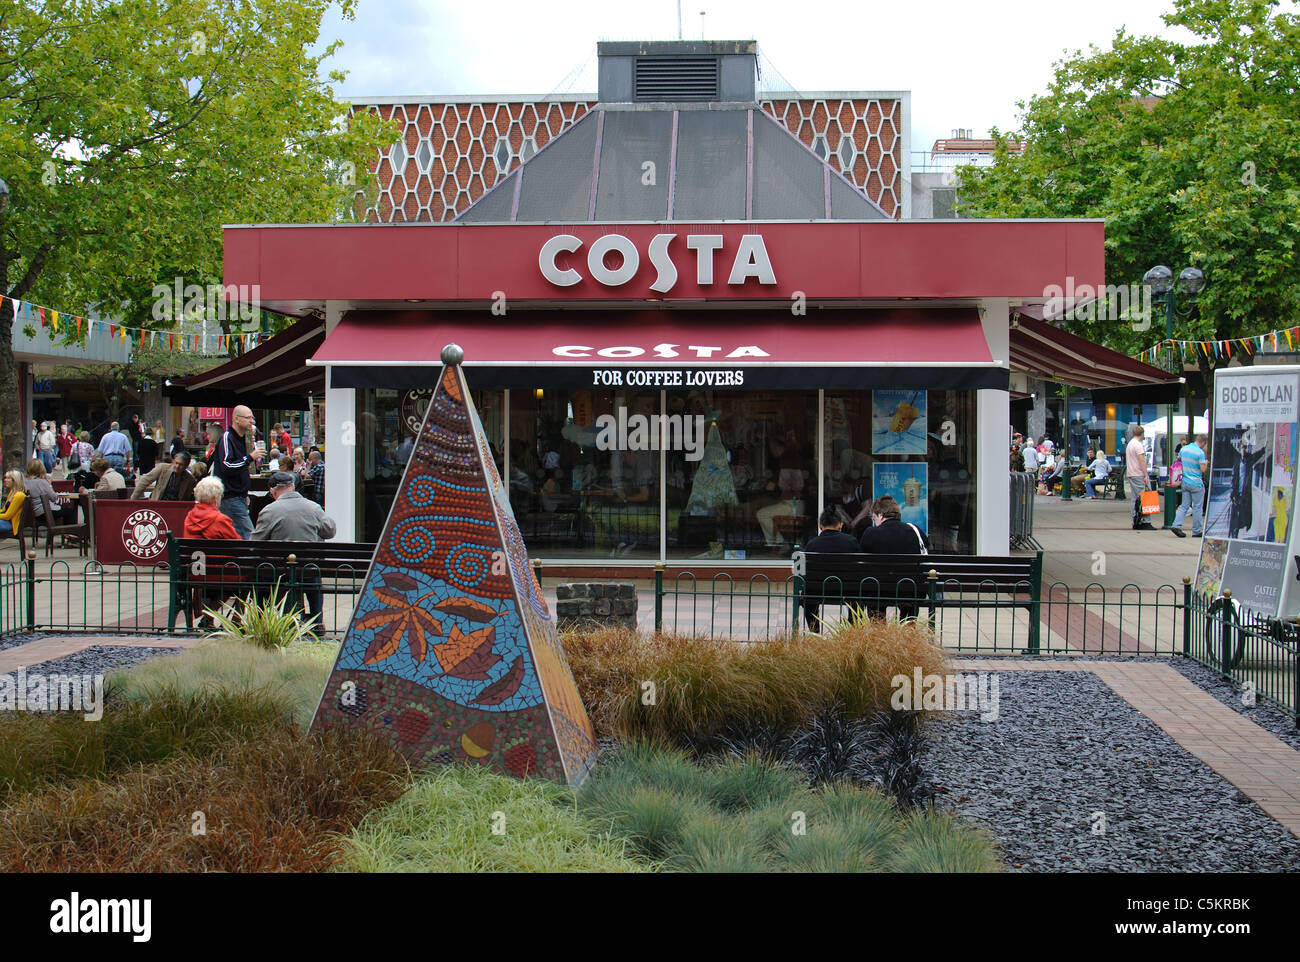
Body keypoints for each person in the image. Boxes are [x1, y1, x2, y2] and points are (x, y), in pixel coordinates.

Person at [251, 470, 337, 630]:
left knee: (262, 574)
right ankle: (317, 621)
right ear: (292, 487)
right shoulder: (314, 507)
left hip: (278, 573)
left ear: (272, 491)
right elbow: (330, 531)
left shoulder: (269, 511)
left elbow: (255, 543)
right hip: (308, 571)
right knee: (313, 573)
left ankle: (264, 621)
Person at [183, 476, 242, 630]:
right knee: (249, 577)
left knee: (218, 575)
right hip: (219, 572)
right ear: (216, 498)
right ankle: (236, 620)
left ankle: (208, 618)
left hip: (197, 570)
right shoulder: (219, 519)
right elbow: (237, 545)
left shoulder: (190, 517)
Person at [857, 495, 930, 619]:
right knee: (909, 595)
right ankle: (908, 626)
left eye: (874, 517)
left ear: (880, 515)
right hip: (910, 590)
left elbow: (862, 562)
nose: (875, 522)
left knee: (874, 592)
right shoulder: (915, 531)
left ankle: (879, 629)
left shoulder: (870, 533)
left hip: (878, 591)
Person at [802, 507, 863, 631]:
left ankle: (815, 631)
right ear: (840, 525)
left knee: (807, 595)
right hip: (847, 590)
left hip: (818, 590)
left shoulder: (812, 544)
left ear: (820, 526)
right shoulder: (851, 542)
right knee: (858, 594)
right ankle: (851, 628)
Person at [211, 404, 265, 539]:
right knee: (249, 536)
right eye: (247, 418)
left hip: (238, 496)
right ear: (236, 419)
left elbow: (241, 468)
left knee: (236, 536)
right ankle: (251, 560)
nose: (251, 421)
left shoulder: (241, 439)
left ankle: (239, 559)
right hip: (230, 497)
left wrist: (243, 492)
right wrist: (250, 457)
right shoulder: (227, 437)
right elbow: (227, 466)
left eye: (252, 418)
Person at [1171, 432, 1207, 538]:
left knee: (1184, 506)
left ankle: (1176, 525)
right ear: (1203, 443)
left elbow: (1178, 462)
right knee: (1197, 508)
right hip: (1196, 483)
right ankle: (1196, 531)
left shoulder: (1184, 449)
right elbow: (1203, 469)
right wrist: (1206, 463)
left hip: (1185, 482)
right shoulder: (1200, 453)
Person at [25, 459, 77, 525]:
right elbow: (54, 498)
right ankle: (69, 533)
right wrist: (49, 485)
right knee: (69, 511)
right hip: (44, 512)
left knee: (64, 509)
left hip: (34, 513)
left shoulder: (25, 481)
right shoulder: (41, 482)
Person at [132, 451, 196, 501]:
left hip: (176, 508)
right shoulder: (162, 468)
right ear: (173, 461)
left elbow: (187, 497)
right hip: (158, 505)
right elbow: (144, 481)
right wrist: (133, 499)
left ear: (186, 466)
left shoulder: (190, 479)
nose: (177, 466)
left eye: (181, 465)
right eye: (176, 463)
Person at [1126, 425, 1153, 530]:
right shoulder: (1138, 445)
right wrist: (1146, 474)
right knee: (1146, 496)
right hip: (1139, 474)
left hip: (1131, 473)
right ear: (1142, 434)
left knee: (1135, 498)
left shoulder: (1130, 444)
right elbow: (1142, 460)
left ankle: (1135, 519)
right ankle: (1146, 521)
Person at [0, 470, 27, 536]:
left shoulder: (19, 495)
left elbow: (7, 516)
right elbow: (3, 510)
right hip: (5, 522)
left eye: (8, 478)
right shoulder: (12, 492)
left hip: (11, 524)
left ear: (15, 481)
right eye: (5, 478)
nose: (5, 480)